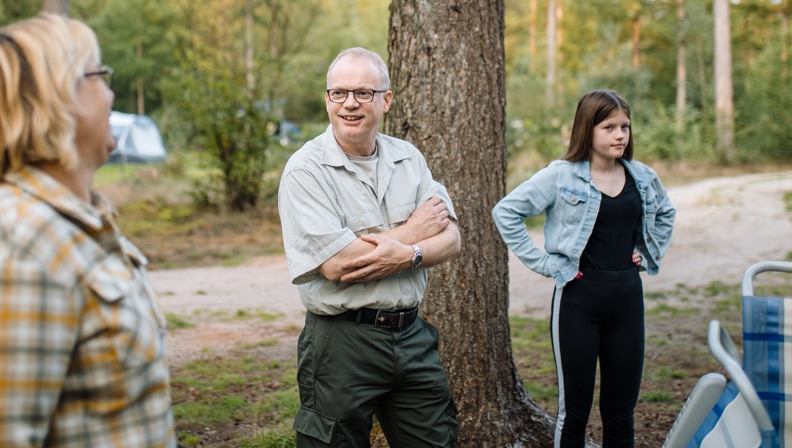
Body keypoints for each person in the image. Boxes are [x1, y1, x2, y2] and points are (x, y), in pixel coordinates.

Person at [0, 14, 176, 447]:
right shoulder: (17, 252)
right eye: (99, 75)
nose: (111, 93)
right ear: (55, 98)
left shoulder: (65, 221)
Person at [278, 47, 462, 447]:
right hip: (341, 343)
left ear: (386, 100)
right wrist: (413, 232)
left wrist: (409, 254)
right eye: (338, 93)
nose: (350, 104)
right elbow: (338, 265)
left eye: (363, 93)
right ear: (327, 99)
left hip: (411, 337)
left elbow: (451, 237)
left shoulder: (408, 158)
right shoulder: (306, 170)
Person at [492, 90, 676, 447]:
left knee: (621, 412)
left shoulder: (642, 176)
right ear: (587, 129)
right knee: (574, 413)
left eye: (625, 126)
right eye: (609, 127)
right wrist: (544, 263)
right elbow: (506, 211)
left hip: (627, 300)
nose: (620, 135)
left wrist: (647, 249)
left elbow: (666, 213)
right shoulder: (561, 176)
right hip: (577, 301)